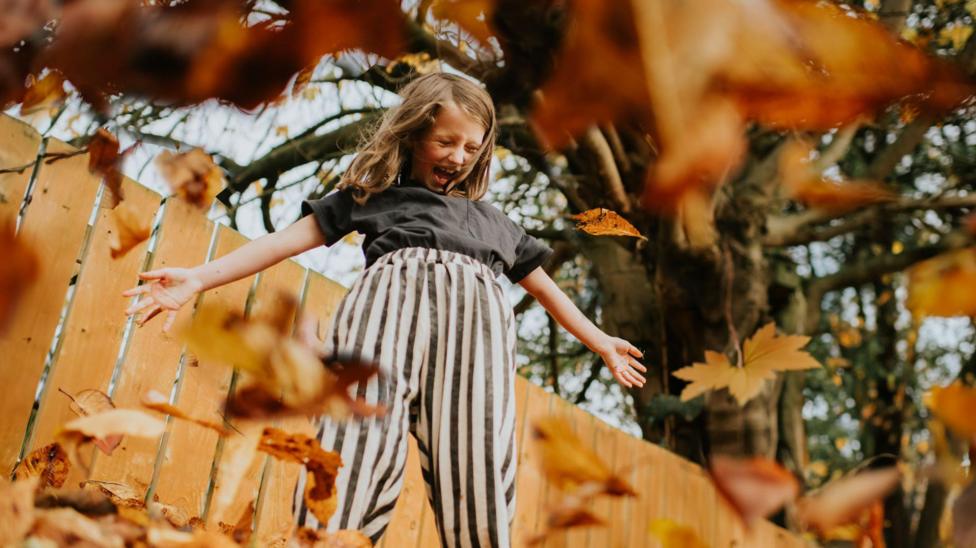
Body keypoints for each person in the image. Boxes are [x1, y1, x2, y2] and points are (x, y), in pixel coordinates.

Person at [122, 72, 646, 548]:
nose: (458, 157)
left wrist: (599, 340)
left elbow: (545, 290)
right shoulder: (372, 197)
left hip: (476, 342)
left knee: (478, 458)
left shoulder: (494, 223)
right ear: (414, 134)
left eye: (470, 147)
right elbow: (282, 243)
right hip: (385, 321)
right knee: (356, 440)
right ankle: (331, 539)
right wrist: (196, 278)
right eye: (445, 141)